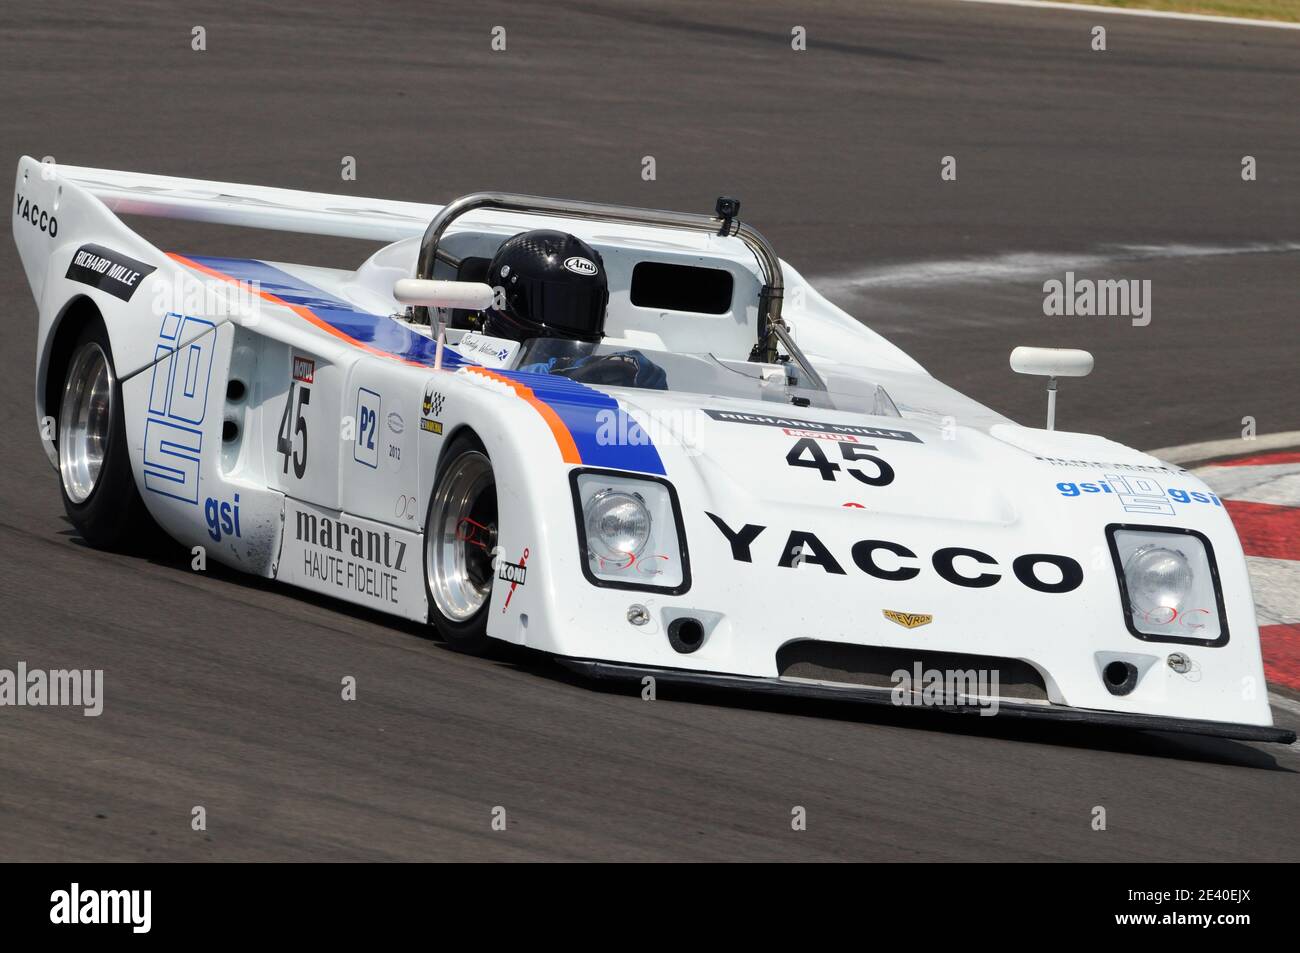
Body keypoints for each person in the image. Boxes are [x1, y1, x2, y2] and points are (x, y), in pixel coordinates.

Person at [479, 229, 666, 389]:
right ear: (501, 299)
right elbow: (480, 373)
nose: (571, 317)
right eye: (555, 304)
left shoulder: (595, 371)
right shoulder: (461, 357)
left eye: (583, 307)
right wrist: (556, 374)